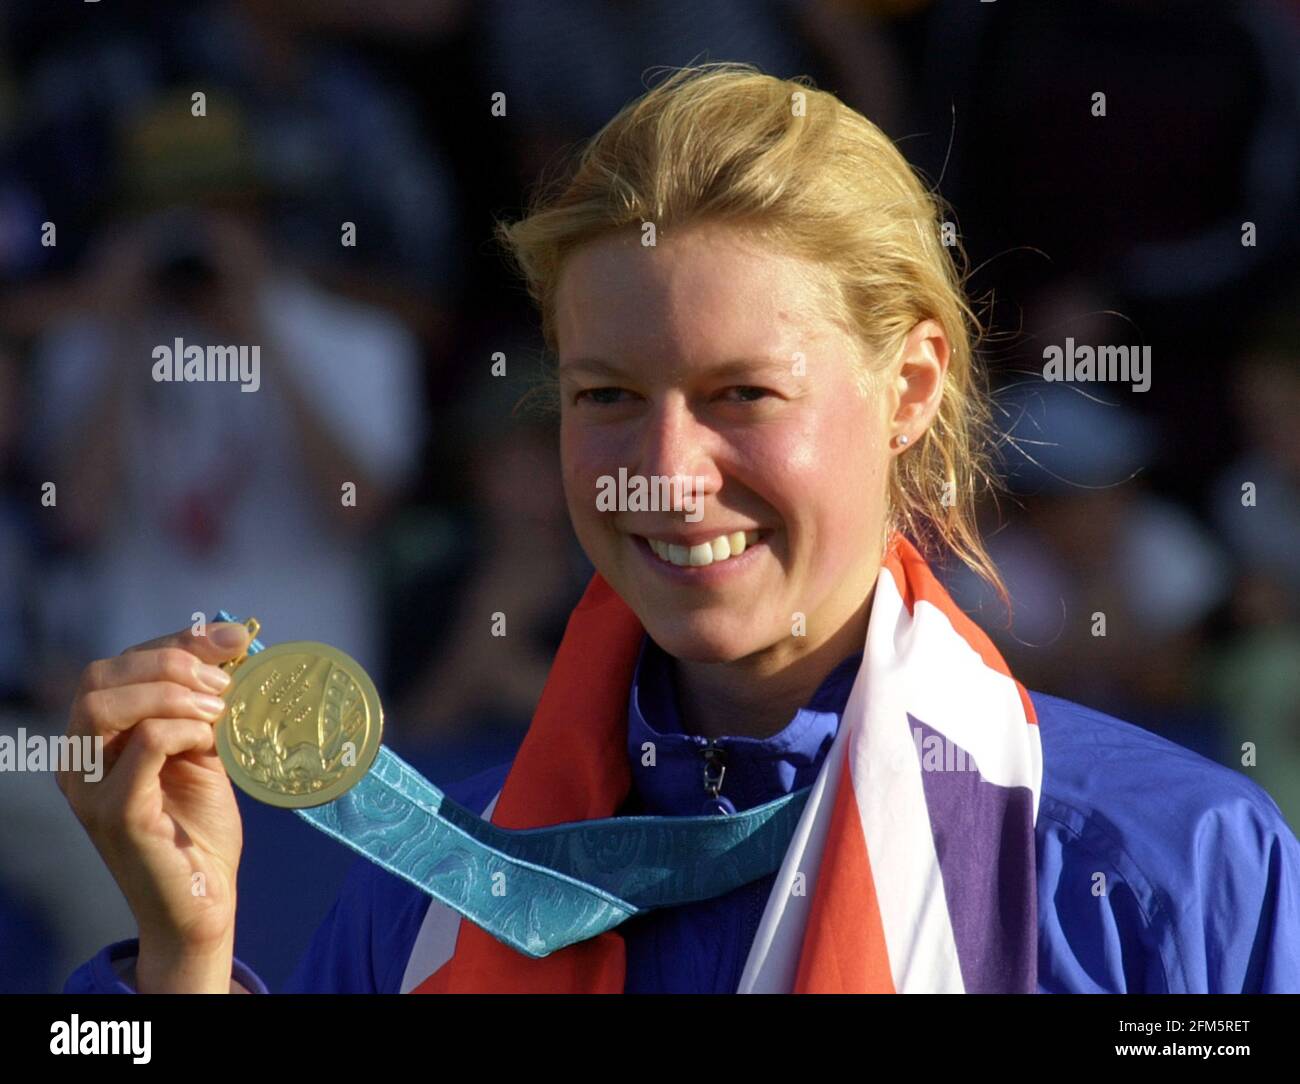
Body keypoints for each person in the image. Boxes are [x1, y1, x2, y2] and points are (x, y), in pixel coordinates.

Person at [60, 64, 1299, 994]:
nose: (661, 472)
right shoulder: (436, 887)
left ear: (910, 389)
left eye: (741, 395)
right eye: (605, 396)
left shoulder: (1168, 869)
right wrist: (183, 959)